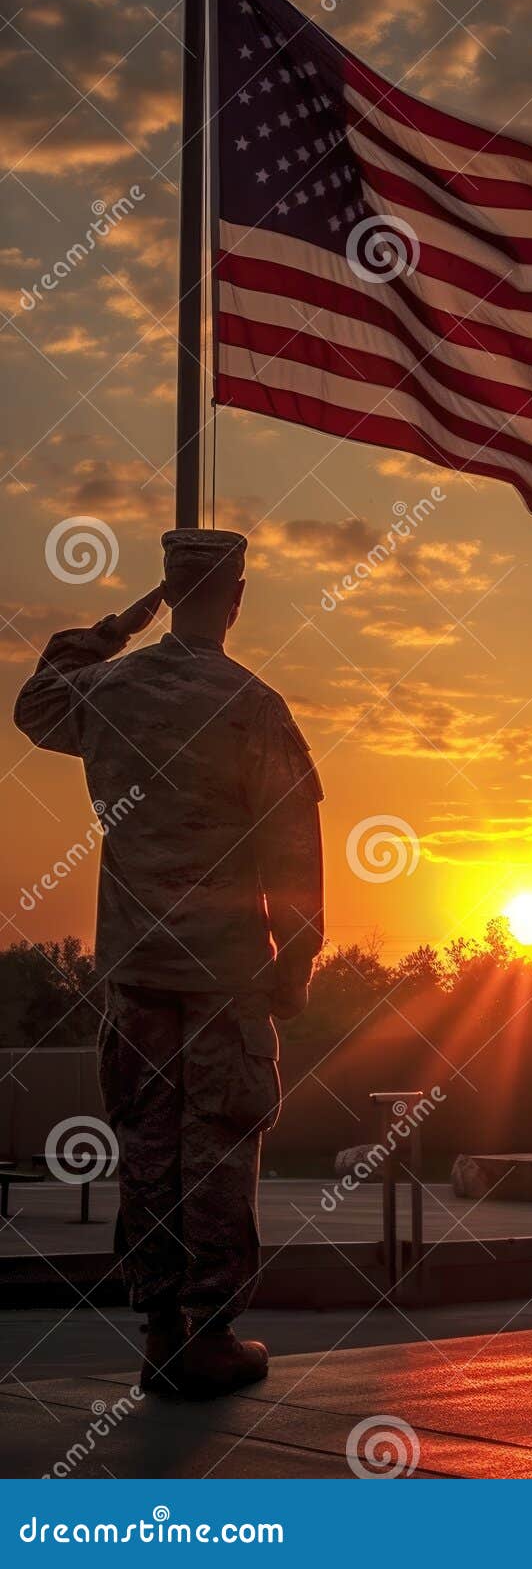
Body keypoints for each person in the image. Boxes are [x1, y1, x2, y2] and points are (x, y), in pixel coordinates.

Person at [14, 529, 324, 1399]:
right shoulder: (250, 704)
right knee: (218, 1146)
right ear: (235, 597)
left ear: (167, 589)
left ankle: (160, 1330)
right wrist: (295, 960)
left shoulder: (109, 687)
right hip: (225, 973)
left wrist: (112, 629)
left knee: (149, 1147)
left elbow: (36, 703)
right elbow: (293, 848)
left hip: (138, 964)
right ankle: (211, 1333)